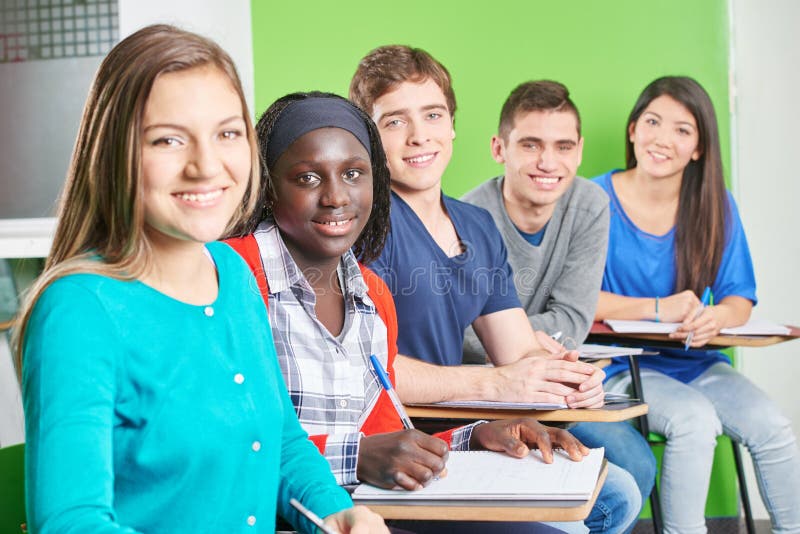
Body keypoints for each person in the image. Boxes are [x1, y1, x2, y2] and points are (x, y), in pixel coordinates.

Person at [13, 25, 386, 534]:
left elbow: (280, 441)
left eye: (227, 133)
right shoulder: (79, 310)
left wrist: (336, 511)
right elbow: (72, 524)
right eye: (168, 139)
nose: (206, 165)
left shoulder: (230, 272)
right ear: (116, 152)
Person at [226, 91, 589, 534]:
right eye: (307, 179)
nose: (336, 197)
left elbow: (386, 436)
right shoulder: (230, 278)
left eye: (354, 174)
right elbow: (232, 445)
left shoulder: (371, 293)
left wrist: (477, 436)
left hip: (374, 507)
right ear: (268, 186)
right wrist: (357, 458)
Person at [349, 45, 639, 534]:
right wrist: (493, 383)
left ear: (452, 125)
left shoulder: (476, 226)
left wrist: (567, 378)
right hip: (397, 450)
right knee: (569, 528)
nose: (420, 136)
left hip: (463, 434)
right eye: (395, 121)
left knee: (619, 495)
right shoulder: (364, 226)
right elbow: (370, 371)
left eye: (433, 114)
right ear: (368, 137)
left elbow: (517, 350)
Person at [592, 75, 800, 534]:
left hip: (697, 361)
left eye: (682, 130)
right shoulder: (592, 199)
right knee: (694, 421)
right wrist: (657, 307)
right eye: (652, 121)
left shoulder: (715, 205)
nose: (663, 139)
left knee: (772, 426)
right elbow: (575, 302)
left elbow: (738, 298)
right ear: (632, 130)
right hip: (622, 366)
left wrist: (718, 317)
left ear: (699, 148)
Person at [461, 80, 656, 532]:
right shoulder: (468, 217)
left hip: (558, 385)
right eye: (531, 145)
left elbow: (574, 318)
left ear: (579, 150)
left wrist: (510, 337)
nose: (548, 162)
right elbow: (465, 338)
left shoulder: (589, 204)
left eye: (563, 146)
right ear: (499, 148)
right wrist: (524, 344)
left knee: (634, 461)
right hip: (485, 392)